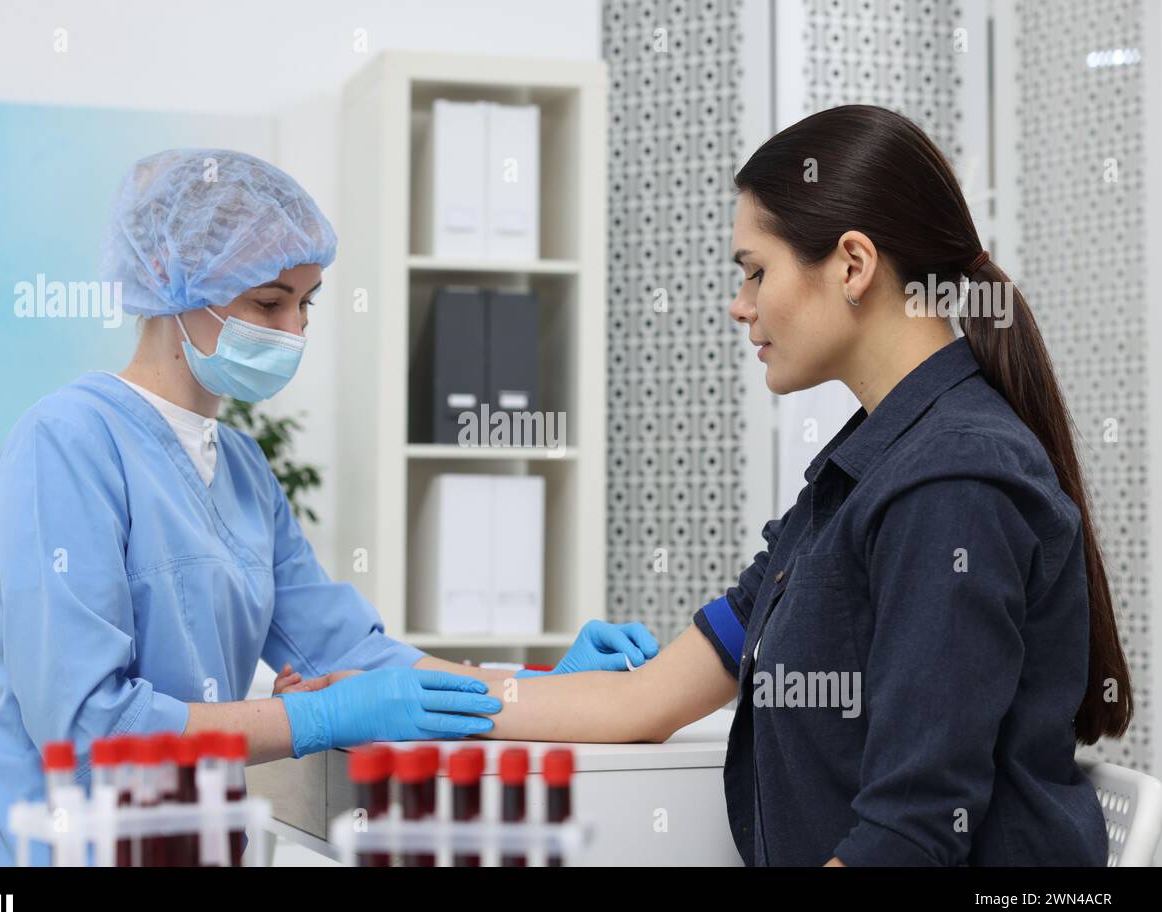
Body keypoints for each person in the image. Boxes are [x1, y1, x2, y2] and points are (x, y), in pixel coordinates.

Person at [457, 106, 1134, 866]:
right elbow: (639, 700)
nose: (738, 303)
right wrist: (414, 685)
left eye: (755, 271)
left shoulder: (951, 483)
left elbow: (909, 836)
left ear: (852, 264)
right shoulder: (865, 469)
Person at [0, 148, 658, 866]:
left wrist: (535, 685)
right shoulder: (64, 444)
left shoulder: (241, 470)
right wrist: (315, 715)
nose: (294, 329)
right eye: (270, 302)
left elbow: (351, 649)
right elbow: (84, 734)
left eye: (307, 302)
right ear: (173, 280)